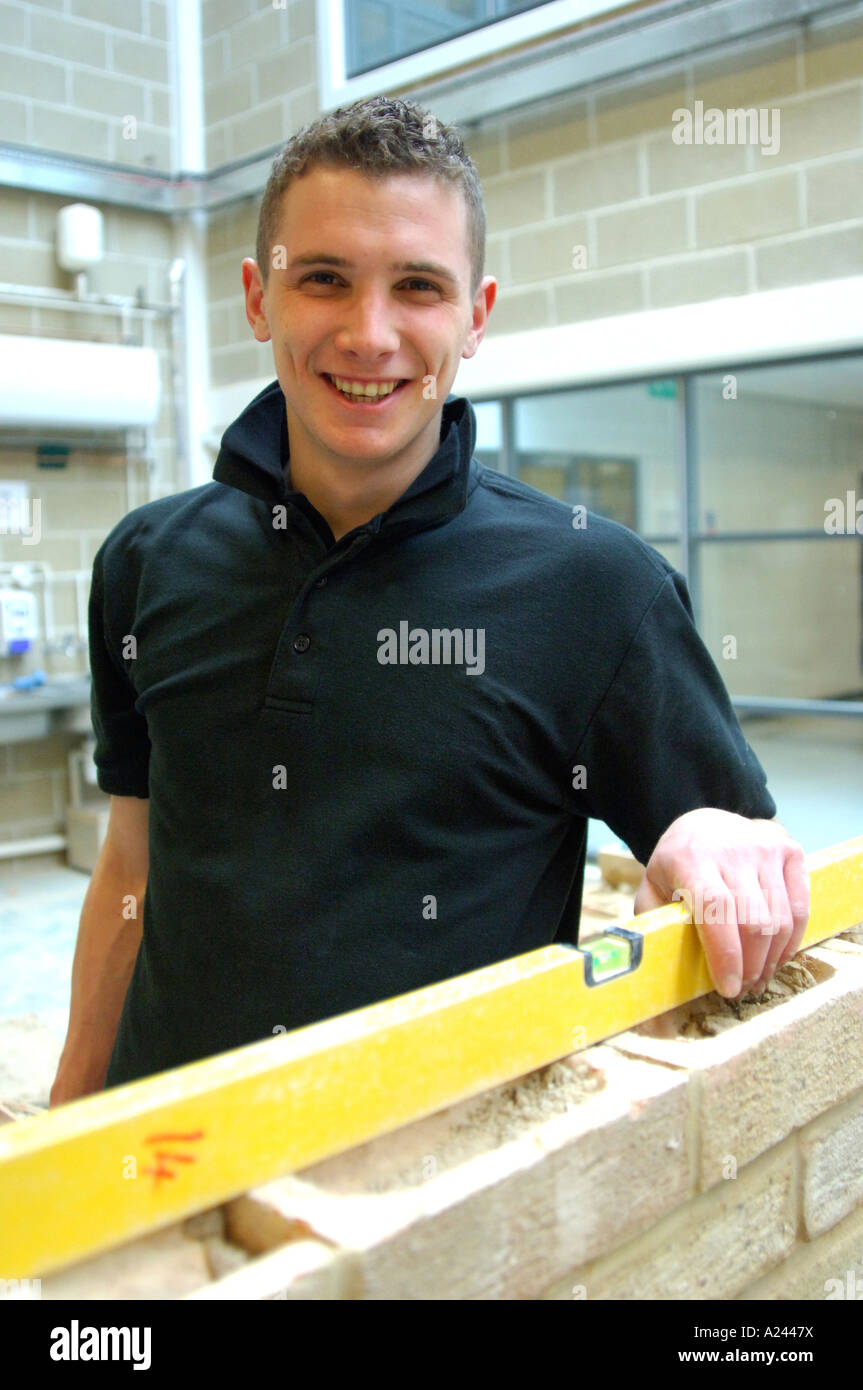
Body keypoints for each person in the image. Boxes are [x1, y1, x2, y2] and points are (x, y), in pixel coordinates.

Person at [50, 96, 809, 1103]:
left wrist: (708, 832)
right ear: (256, 296)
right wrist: (65, 1115)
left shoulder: (593, 586)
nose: (369, 334)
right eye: (324, 278)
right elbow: (131, 867)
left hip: (441, 1209)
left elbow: (724, 860)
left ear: (474, 315)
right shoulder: (146, 561)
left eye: (416, 286)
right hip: (167, 1174)